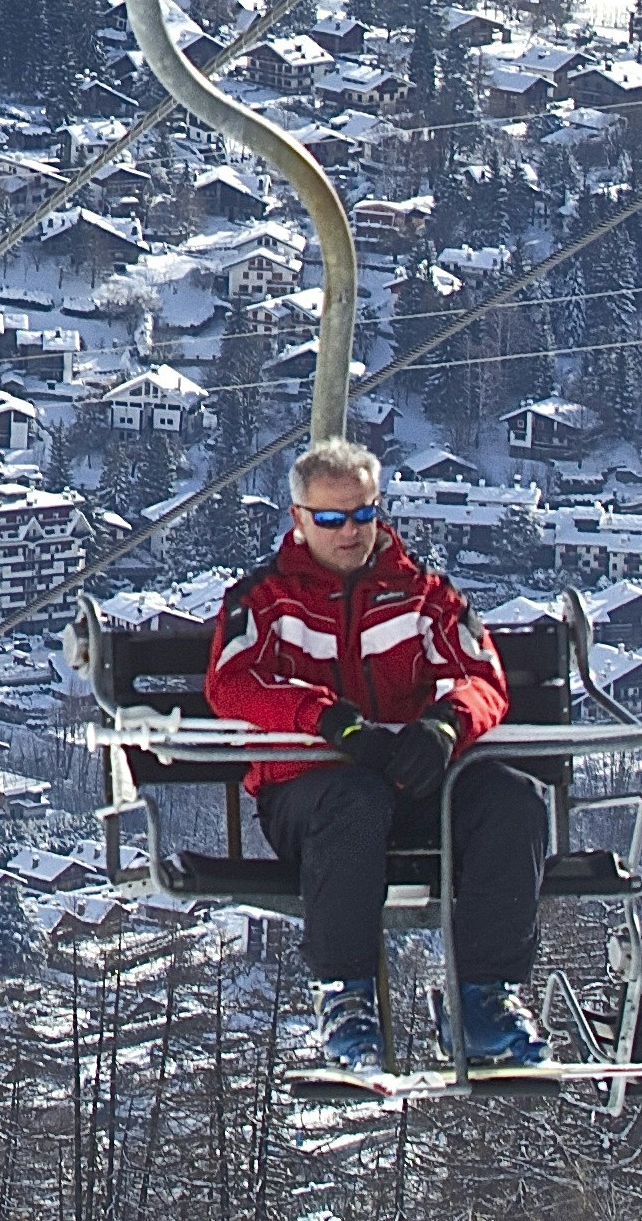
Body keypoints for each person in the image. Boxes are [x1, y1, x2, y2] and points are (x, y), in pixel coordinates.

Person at [201, 436, 551, 1073]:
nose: (350, 532)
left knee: (512, 799)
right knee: (352, 801)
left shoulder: (421, 594)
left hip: (408, 779)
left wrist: (445, 727)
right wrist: (324, 719)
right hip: (309, 790)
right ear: (300, 518)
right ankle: (344, 995)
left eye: (363, 514)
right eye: (332, 519)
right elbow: (232, 684)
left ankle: (484, 998)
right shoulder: (267, 599)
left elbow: (480, 677)